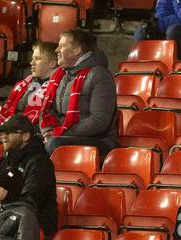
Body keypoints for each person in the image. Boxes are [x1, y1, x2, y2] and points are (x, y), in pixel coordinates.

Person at [37, 28, 119, 156]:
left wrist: (62, 132)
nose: (57, 50)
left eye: (62, 46)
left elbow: (99, 121)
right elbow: (47, 111)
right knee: (23, 140)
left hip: (98, 140)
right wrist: (48, 131)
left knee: (53, 144)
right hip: (61, 134)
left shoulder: (99, 75)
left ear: (77, 50)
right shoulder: (58, 75)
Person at [0, 114, 59, 239]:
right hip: (1, 222)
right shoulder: (1, 161)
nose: (3, 136)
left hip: (33, 227)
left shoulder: (40, 163)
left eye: (8, 133)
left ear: (25, 136)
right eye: (2, 132)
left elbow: (29, 200)